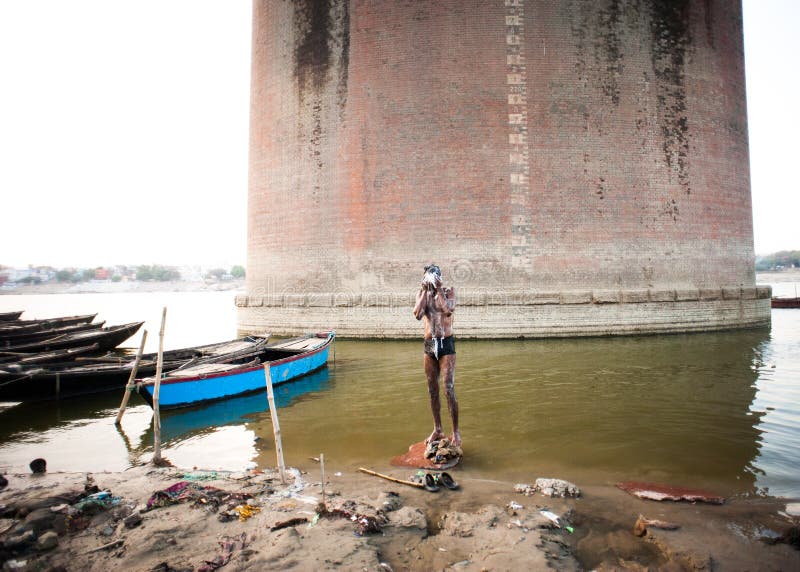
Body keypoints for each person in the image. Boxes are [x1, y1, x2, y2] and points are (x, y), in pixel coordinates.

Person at [412, 264, 461, 447]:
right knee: (432, 390)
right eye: (428, 277)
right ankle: (438, 429)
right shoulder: (422, 294)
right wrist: (424, 291)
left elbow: (447, 309)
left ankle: (455, 432)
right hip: (430, 344)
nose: (430, 281)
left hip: (445, 343)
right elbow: (417, 314)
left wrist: (438, 288)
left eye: (433, 277)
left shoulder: (448, 292)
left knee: (448, 388)